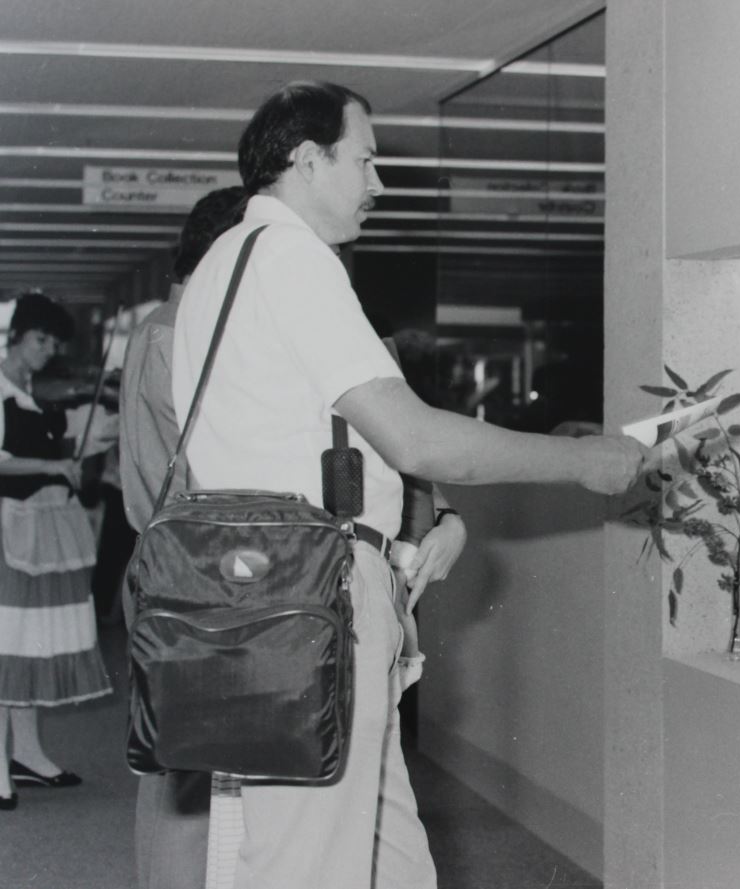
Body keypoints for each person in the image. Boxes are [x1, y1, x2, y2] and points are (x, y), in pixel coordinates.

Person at [168, 81, 645, 889]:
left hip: (263, 588)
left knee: (389, 858)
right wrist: (582, 461)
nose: (379, 183)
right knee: (307, 864)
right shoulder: (292, 260)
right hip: (311, 596)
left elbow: (349, 434)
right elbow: (414, 434)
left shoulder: (226, 263)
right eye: (367, 160)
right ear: (307, 161)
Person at [118, 184, 245, 889]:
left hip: (161, 559)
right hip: (196, 567)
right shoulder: (186, 335)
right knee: (187, 772)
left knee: (171, 764)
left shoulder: (155, 327)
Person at [0, 292, 116, 811]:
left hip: (41, 531)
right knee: (7, 643)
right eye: (40, 339)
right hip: (8, 531)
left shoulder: (33, 392)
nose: (47, 350)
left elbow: (53, 442)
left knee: (30, 640)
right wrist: (51, 467)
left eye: (53, 342)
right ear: (16, 336)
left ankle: (25, 752)